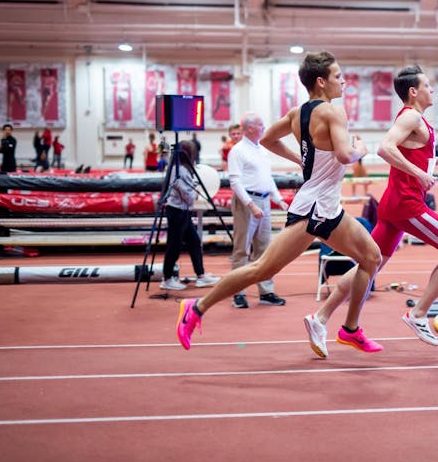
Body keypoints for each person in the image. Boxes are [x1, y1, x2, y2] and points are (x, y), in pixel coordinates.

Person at [176, 50, 381, 354]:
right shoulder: (333, 112)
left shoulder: (297, 114)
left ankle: (350, 329)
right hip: (315, 210)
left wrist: (300, 158)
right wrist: (361, 148)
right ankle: (197, 307)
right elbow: (344, 155)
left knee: (372, 257)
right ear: (321, 82)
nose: (344, 82)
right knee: (262, 270)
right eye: (339, 76)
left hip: (325, 207)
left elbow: (268, 140)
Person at [306, 64, 438, 356]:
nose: (433, 91)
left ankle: (321, 317)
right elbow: (385, 148)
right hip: (406, 204)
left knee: (370, 265)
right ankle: (418, 314)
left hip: (394, 204)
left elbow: (410, 151)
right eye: (428, 86)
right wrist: (419, 175)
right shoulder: (412, 116)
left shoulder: (416, 120)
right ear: (414, 91)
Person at [226, 112, 290, 309]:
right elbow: (235, 181)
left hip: (263, 201)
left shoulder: (261, 150)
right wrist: (250, 205)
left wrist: (279, 200)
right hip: (247, 203)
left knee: (264, 249)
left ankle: (266, 291)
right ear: (249, 128)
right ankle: (238, 292)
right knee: (242, 249)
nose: (264, 127)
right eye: (260, 125)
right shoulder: (237, 151)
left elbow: (267, 178)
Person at [159, 140, 220, 291]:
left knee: (194, 242)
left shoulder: (182, 169)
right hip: (177, 211)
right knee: (174, 245)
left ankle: (200, 275)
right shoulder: (178, 170)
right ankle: (167, 278)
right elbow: (187, 193)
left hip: (183, 211)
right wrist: (193, 193)